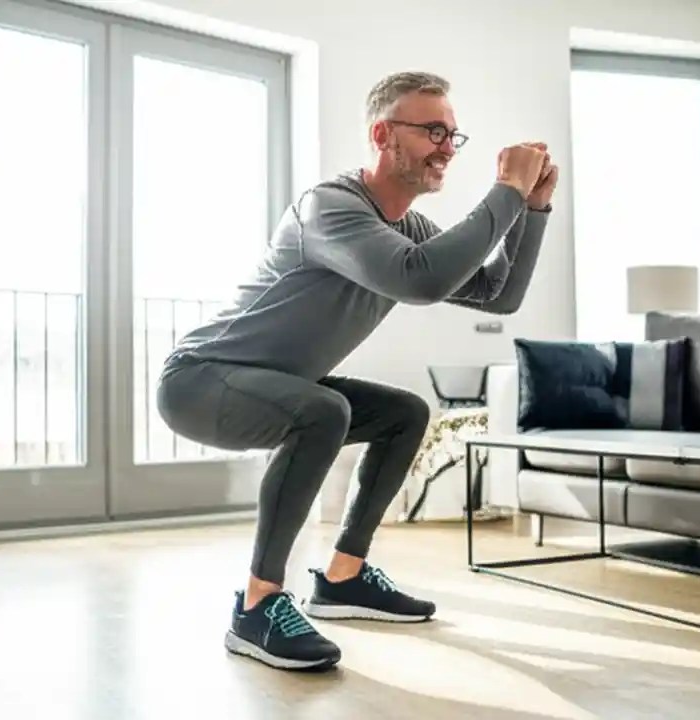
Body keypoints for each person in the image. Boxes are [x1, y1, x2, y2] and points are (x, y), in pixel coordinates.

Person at [155, 70, 556, 671]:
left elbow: (498, 295)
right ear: (382, 133)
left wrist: (534, 208)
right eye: (431, 131)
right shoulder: (329, 207)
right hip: (200, 379)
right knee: (324, 412)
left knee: (404, 413)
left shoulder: (410, 226)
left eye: (452, 134)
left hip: (284, 387)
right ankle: (256, 606)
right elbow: (418, 277)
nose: (447, 146)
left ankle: (343, 578)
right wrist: (504, 190)